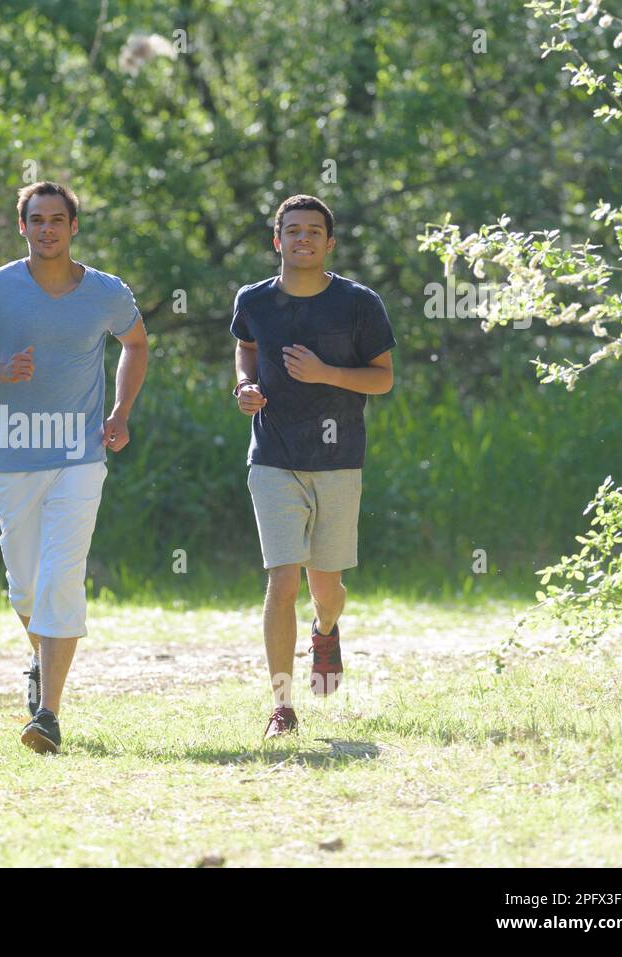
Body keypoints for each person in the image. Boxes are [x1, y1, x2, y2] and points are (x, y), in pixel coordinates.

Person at [0, 181, 149, 754]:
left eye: (58, 219)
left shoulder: (106, 292)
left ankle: (48, 716)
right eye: (37, 220)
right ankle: (40, 660)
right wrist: (0, 370)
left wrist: (121, 411)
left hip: (80, 454)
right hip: (13, 455)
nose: (48, 229)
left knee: (62, 574)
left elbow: (136, 343)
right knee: (25, 587)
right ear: (23, 227)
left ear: (73, 226)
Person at [231, 195, 397, 739]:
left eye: (314, 231)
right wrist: (245, 386)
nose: (303, 239)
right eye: (293, 231)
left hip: (338, 459)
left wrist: (326, 372)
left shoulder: (358, 303)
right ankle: (282, 704)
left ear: (329, 242)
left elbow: (381, 378)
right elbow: (246, 348)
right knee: (282, 580)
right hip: (273, 457)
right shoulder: (253, 300)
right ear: (277, 240)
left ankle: (325, 630)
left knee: (327, 587)